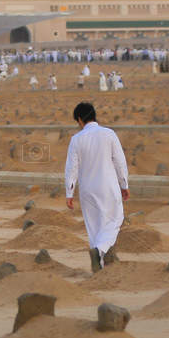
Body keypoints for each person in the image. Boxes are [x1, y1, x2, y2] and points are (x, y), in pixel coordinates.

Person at [63, 100, 129, 273]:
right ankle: (100, 251)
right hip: (108, 186)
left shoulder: (76, 139)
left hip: (87, 190)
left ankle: (98, 264)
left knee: (93, 226)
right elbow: (120, 162)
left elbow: (72, 168)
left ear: (79, 119)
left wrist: (69, 193)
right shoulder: (109, 134)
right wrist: (124, 184)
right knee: (115, 219)